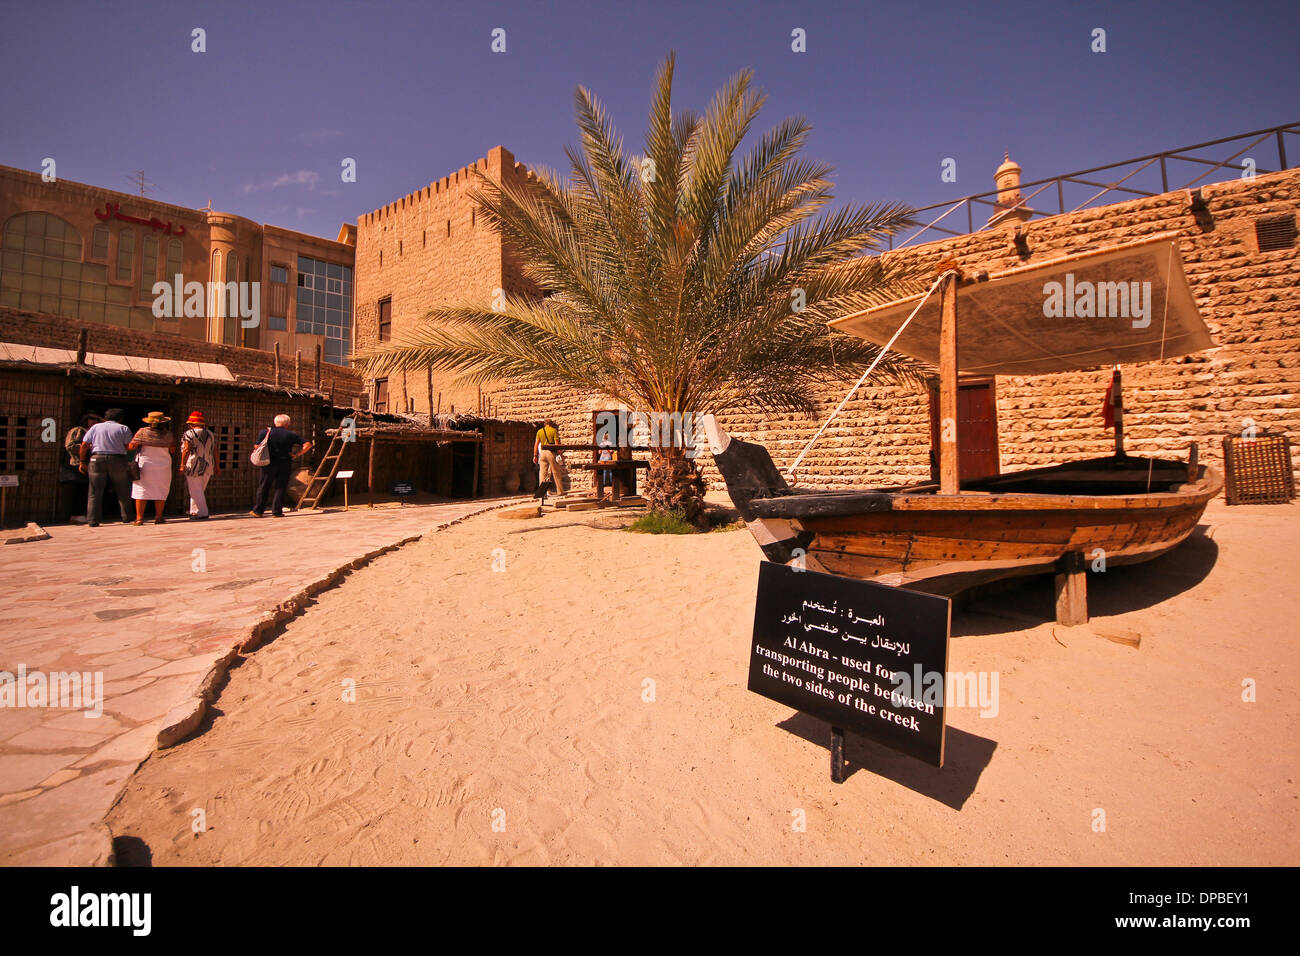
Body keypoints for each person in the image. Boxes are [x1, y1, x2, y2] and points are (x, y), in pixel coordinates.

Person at [79, 408, 135, 527]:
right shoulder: (123, 428)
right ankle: (127, 517)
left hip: (97, 459)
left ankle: (93, 520)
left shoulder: (95, 427)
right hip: (118, 460)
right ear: (121, 419)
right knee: (123, 490)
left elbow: (84, 445)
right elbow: (129, 446)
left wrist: (82, 461)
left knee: (94, 491)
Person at [250, 414, 312, 518]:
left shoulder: (265, 432)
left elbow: (257, 446)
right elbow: (308, 444)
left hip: (268, 463)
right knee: (280, 487)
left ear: (275, 422)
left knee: (264, 486)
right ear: (287, 424)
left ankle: (258, 511)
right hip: (285, 463)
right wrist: (297, 454)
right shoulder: (291, 434)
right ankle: (277, 512)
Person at [128, 412, 176, 525]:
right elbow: (172, 450)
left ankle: (139, 518)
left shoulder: (142, 432)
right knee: (161, 489)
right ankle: (159, 517)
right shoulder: (168, 435)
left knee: (141, 490)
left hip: (145, 464)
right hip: (163, 465)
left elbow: (131, 446)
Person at [179, 411, 219, 520]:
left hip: (194, 464)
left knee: (195, 490)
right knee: (199, 489)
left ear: (191, 424)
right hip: (208, 464)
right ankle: (194, 511)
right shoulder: (211, 434)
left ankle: (202, 512)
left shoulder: (189, 434)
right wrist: (217, 466)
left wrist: (182, 464)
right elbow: (215, 451)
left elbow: (186, 450)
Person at [62, 412, 101, 522]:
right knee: (80, 490)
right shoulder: (79, 430)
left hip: (89, 464)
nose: (94, 421)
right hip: (78, 463)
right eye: (91, 418)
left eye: (96, 419)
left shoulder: (92, 431)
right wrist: (88, 447)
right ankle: (77, 515)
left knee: (86, 490)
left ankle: (83, 514)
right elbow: (71, 446)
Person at [533, 418, 567, 497]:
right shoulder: (554, 431)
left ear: (545, 424)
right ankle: (560, 491)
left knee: (542, 473)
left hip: (542, 453)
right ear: (551, 424)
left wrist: (535, 455)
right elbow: (556, 444)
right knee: (556, 472)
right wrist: (560, 454)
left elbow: (536, 444)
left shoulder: (539, 431)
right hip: (551, 453)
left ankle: (542, 493)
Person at [596, 430, 616, 500]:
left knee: (604, 471)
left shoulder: (601, 443)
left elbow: (599, 452)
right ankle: (611, 483)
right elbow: (611, 451)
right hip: (608, 456)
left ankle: (604, 483)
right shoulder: (609, 443)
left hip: (602, 456)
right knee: (610, 470)